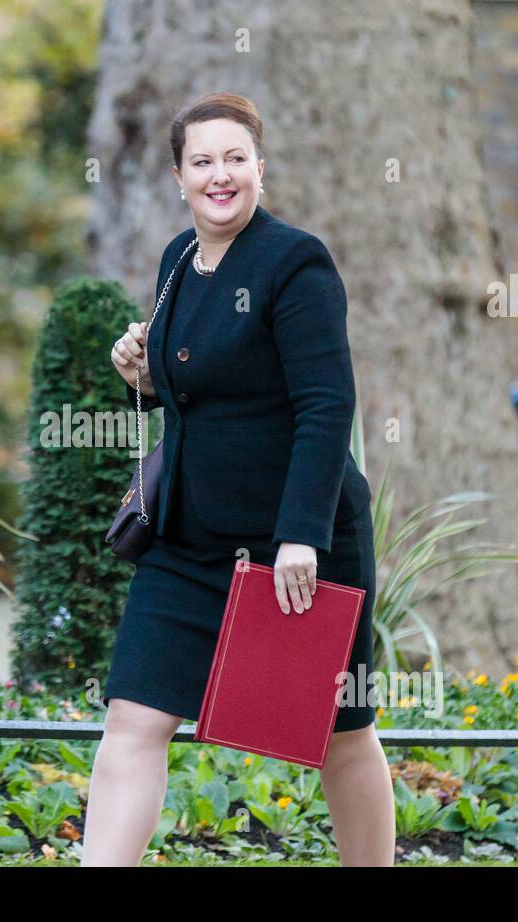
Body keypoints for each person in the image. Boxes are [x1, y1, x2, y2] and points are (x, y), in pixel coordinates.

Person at [84, 92, 395, 866]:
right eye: (201, 162)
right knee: (131, 721)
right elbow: (198, 385)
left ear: (260, 167)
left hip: (293, 542)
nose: (219, 175)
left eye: (234, 158)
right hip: (187, 540)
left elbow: (327, 404)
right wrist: (143, 372)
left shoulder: (295, 261)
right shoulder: (177, 262)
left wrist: (300, 537)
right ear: (179, 178)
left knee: (339, 737)